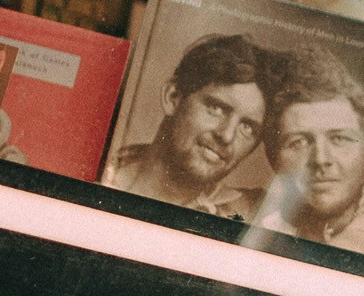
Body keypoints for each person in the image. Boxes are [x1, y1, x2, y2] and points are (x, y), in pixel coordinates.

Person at [244, 45, 364, 257]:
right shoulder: (248, 211)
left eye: (339, 139)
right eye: (299, 142)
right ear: (274, 159)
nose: (321, 159)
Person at [105, 34, 270, 217]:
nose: (226, 135)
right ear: (173, 96)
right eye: (216, 108)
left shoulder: (247, 216)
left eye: (247, 127)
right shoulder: (101, 168)